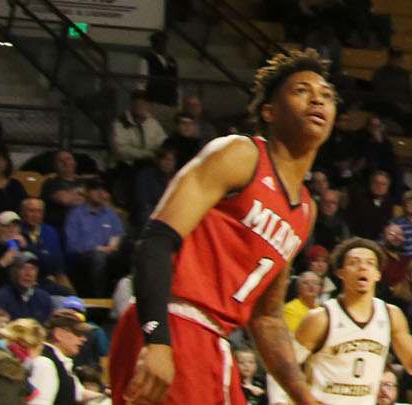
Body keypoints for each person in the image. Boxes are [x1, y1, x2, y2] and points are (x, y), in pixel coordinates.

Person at [106, 49, 335, 405]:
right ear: (269, 112)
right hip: (172, 322)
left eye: (327, 95)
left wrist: (303, 395)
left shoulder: (306, 209)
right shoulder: (240, 155)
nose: (318, 99)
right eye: (302, 90)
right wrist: (157, 340)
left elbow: (267, 317)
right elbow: (155, 241)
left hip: (215, 342)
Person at [298, 238, 412, 405]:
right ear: (341, 273)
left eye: (370, 263)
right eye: (354, 262)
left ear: (377, 274)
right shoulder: (320, 318)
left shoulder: (391, 315)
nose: (363, 267)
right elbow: (286, 367)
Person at [28, 308, 91, 405]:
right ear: (59, 334)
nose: (83, 339)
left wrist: (105, 396)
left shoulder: (61, 361)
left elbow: (78, 393)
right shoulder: (45, 363)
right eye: (78, 334)